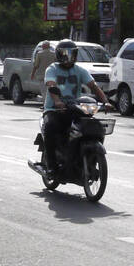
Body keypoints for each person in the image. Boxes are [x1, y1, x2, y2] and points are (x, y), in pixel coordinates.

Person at [40, 40, 111, 175]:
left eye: (72, 54)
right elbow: (51, 85)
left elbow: (93, 86)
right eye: (65, 54)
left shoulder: (80, 70)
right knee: (51, 128)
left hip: (75, 107)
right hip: (55, 109)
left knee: (92, 127)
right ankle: (51, 164)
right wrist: (57, 101)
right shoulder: (52, 69)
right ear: (59, 55)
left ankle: (90, 158)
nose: (68, 58)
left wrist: (105, 101)